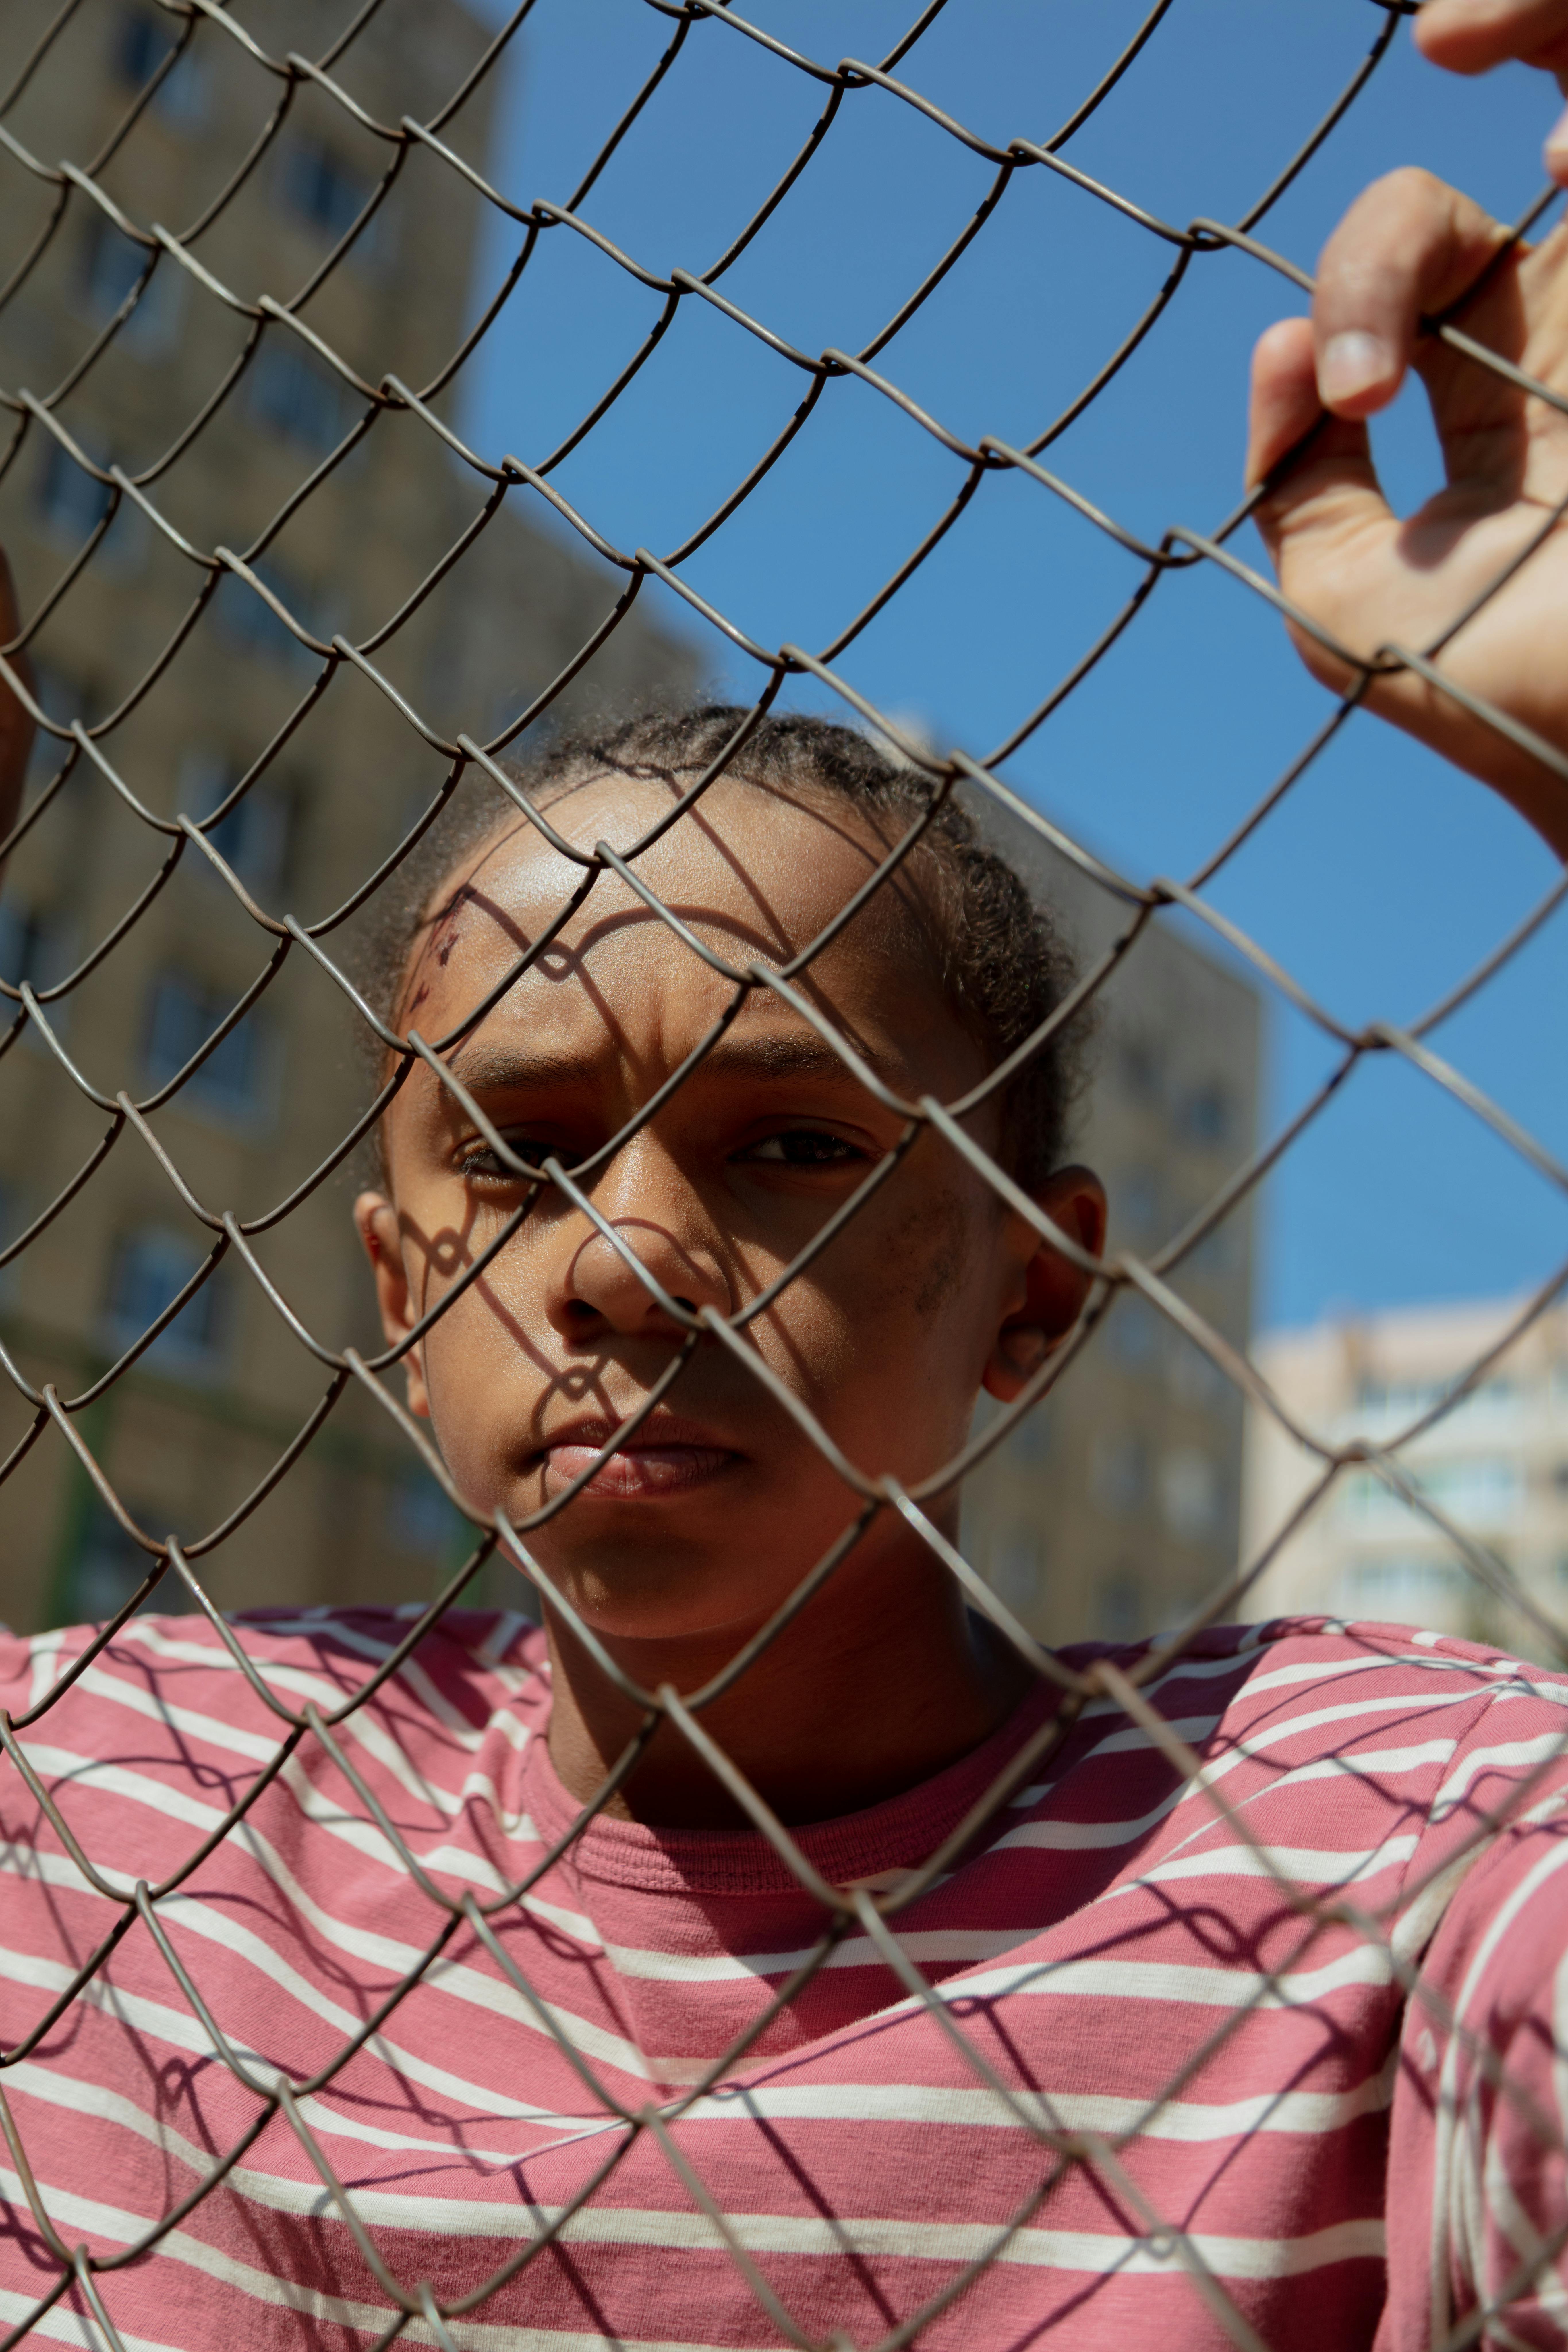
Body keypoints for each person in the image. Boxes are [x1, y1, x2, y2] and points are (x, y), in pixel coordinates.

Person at [4, 2, 1568, 2346]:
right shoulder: (112, 1798)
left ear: (1034, 1297)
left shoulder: (1372, 1846)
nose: (631, 1260)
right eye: (518, 1156)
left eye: (796, 1147)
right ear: (390, 1270)